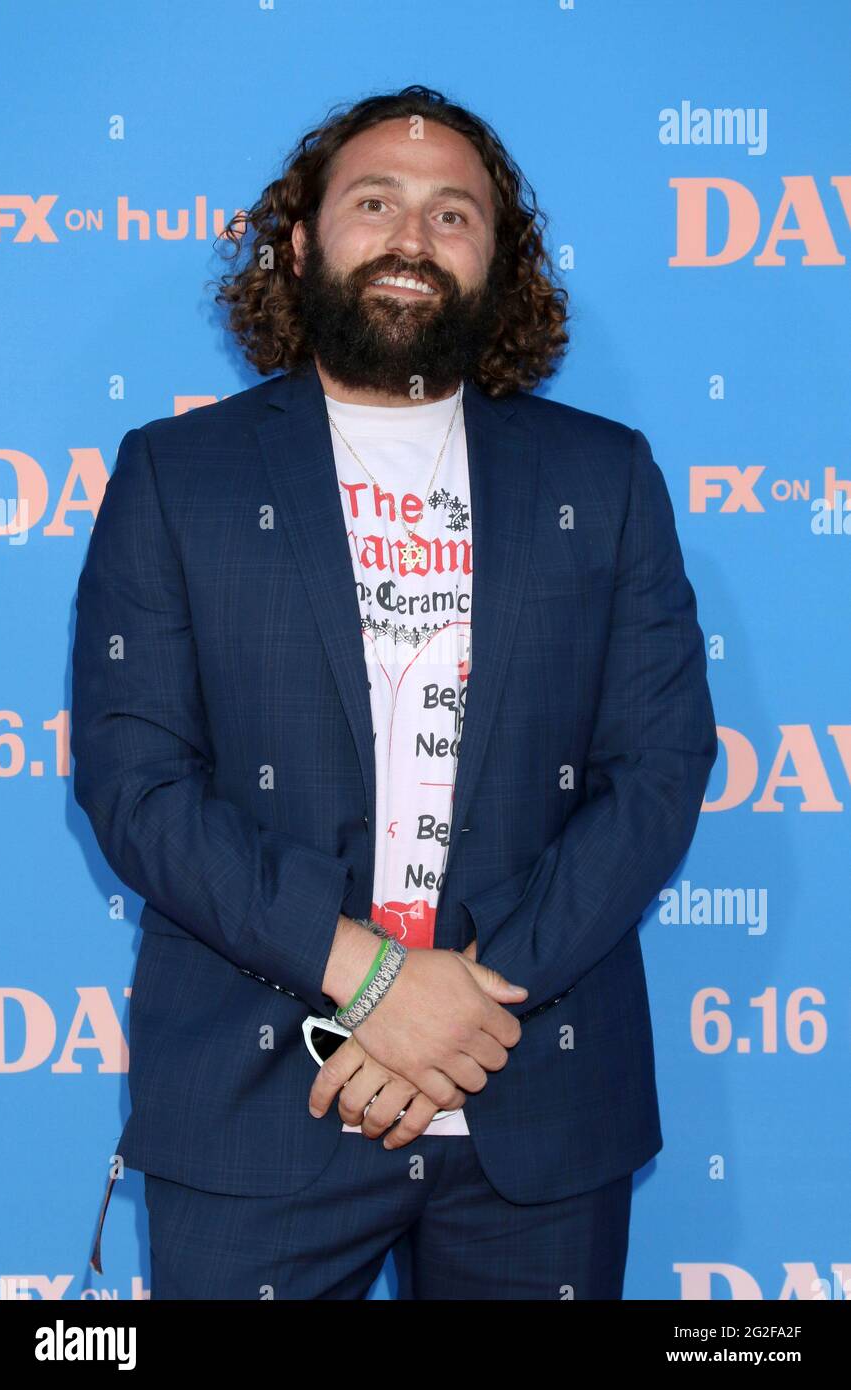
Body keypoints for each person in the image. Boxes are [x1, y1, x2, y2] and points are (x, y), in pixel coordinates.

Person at [72, 84, 718, 1300]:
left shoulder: (603, 475)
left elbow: (660, 768)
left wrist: (457, 1013)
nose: (412, 237)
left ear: (497, 265)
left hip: (537, 1101)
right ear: (304, 243)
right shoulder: (178, 476)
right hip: (256, 1105)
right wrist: (370, 982)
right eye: (375, 203)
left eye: (453, 214)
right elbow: (136, 781)